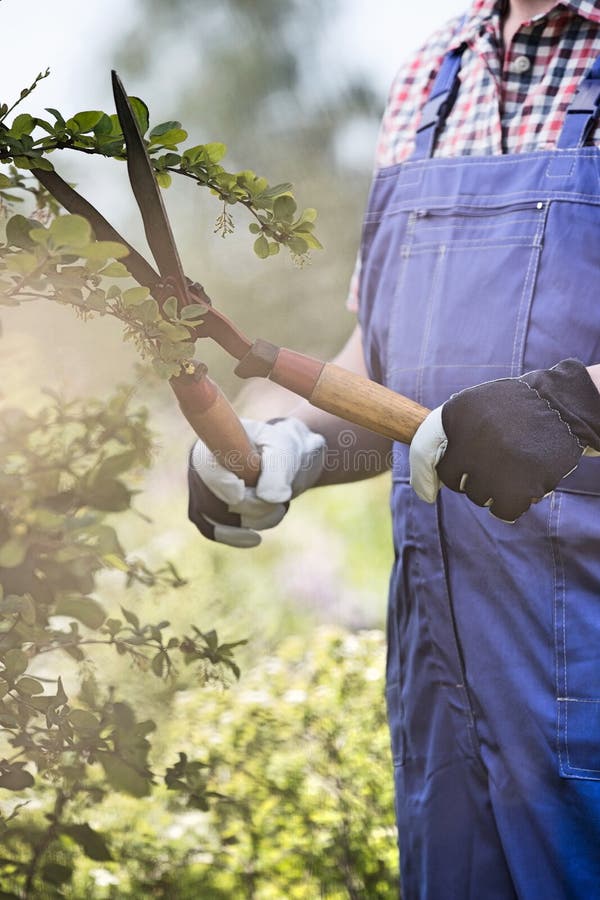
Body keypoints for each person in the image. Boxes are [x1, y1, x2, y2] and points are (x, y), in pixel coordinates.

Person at [188, 1, 600, 896]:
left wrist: (578, 401)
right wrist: (294, 445)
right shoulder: (429, 75)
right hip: (443, 677)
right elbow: (386, 359)